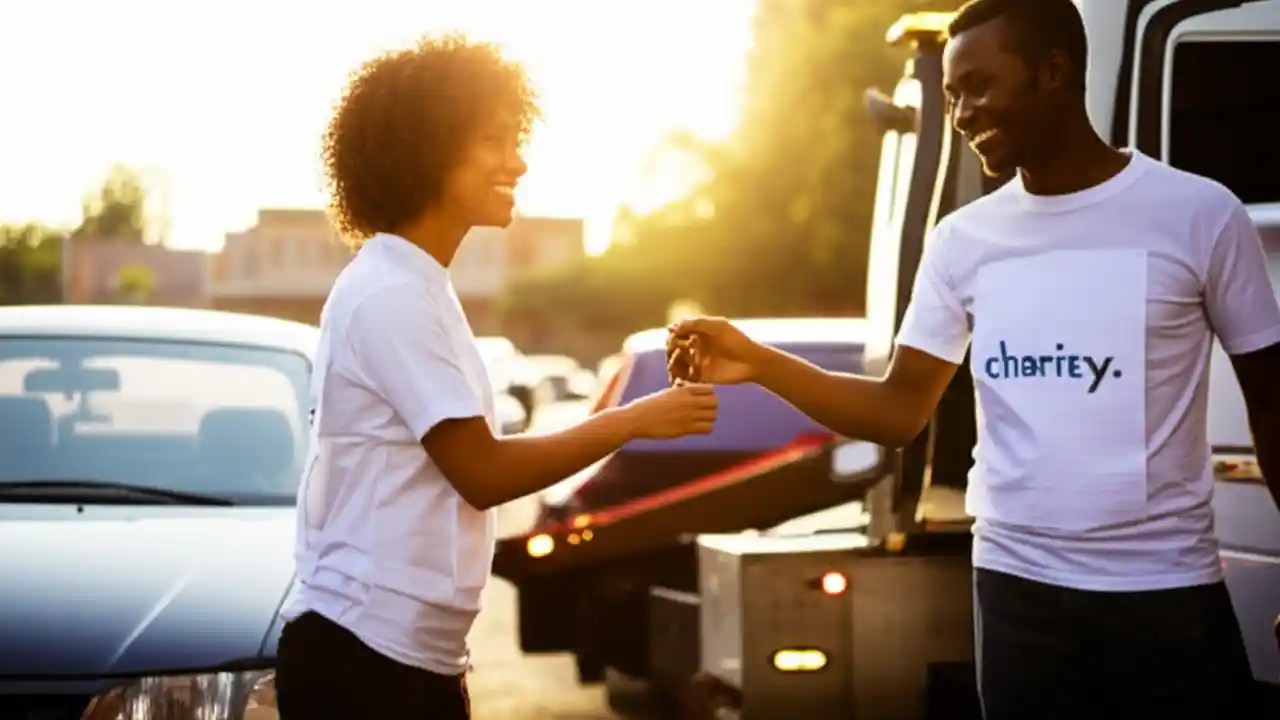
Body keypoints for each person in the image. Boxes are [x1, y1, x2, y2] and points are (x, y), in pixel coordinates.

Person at [668, 0, 1280, 717]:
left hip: (1165, 594)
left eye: (979, 88)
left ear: (1055, 73)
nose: (960, 115)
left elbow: (1272, 402)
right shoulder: (964, 241)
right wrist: (760, 363)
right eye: (953, 96)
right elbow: (898, 410)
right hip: (1017, 595)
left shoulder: (1199, 214)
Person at [274, 35, 719, 720]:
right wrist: (635, 418)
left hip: (406, 653)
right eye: (493, 140)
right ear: (425, 148)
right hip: (361, 655)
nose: (518, 160)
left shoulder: (418, 284)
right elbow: (483, 472)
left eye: (516, 138)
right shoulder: (390, 292)